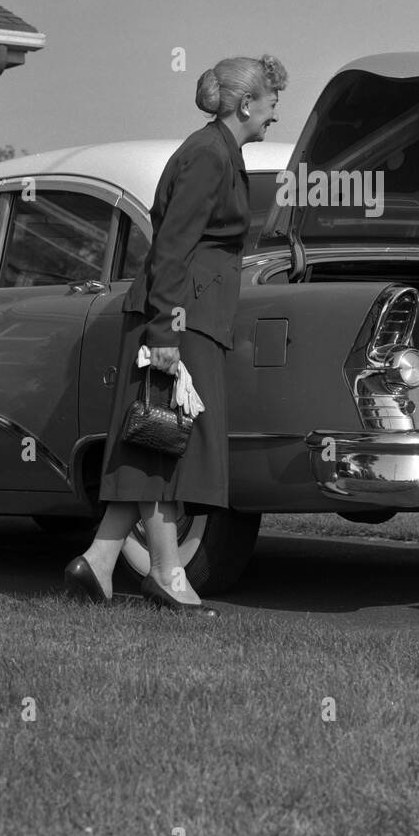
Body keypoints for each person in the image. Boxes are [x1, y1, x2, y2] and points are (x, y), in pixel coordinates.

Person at [64, 54, 288, 616]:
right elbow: (170, 247)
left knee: (157, 438)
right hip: (178, 320)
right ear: (245, 103)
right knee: (170, 444)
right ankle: (168, 574)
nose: (275, 115)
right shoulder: (208, 156)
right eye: (271, 103)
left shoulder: (217, 152)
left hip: (190, 317)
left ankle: (100, 557)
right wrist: (164, 331)